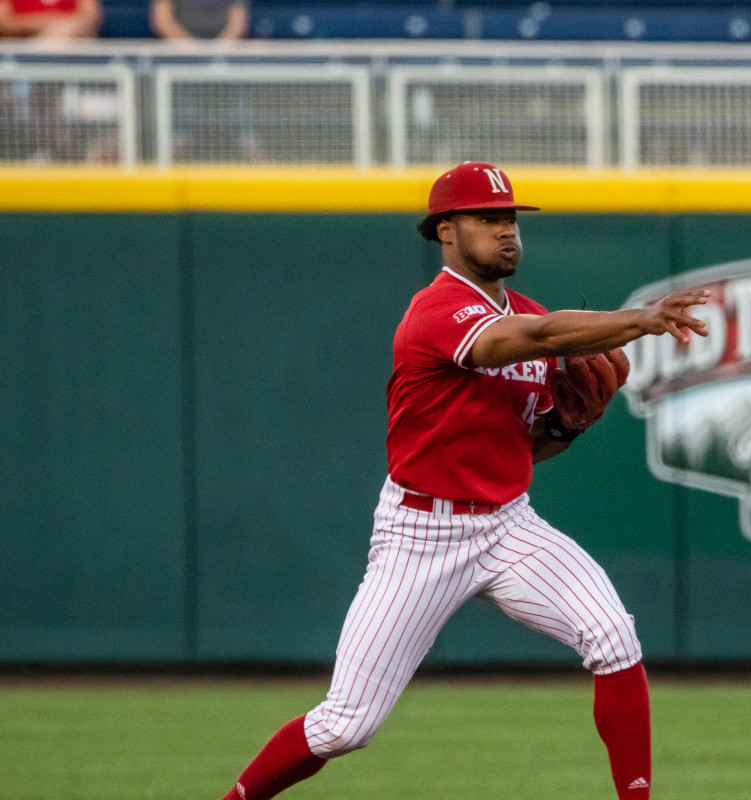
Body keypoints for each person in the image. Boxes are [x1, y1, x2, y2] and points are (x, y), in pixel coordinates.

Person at [214, 162, 711, 800]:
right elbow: (537, 336)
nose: (506, 231)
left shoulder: (526, 314)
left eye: (510, 219)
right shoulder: (436, 311)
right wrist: (641, 319)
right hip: (419, 533)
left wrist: (566, 427)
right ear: (445, 230)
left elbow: (523, 447)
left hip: (507, 524)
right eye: (487, 218)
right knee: (344, 726)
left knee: (614, 636)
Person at [0, 0, 101, 39]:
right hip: (23, 45)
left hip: (72, 42)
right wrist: (40, 24)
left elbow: (89, 17)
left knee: (64, 30)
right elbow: (5, 23)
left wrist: (59, 27)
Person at [150, 0, 247, 40]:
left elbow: (237, 25)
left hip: (222, 53)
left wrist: (218, 50)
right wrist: (189, 49)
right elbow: (163, 23)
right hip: (178, 52)